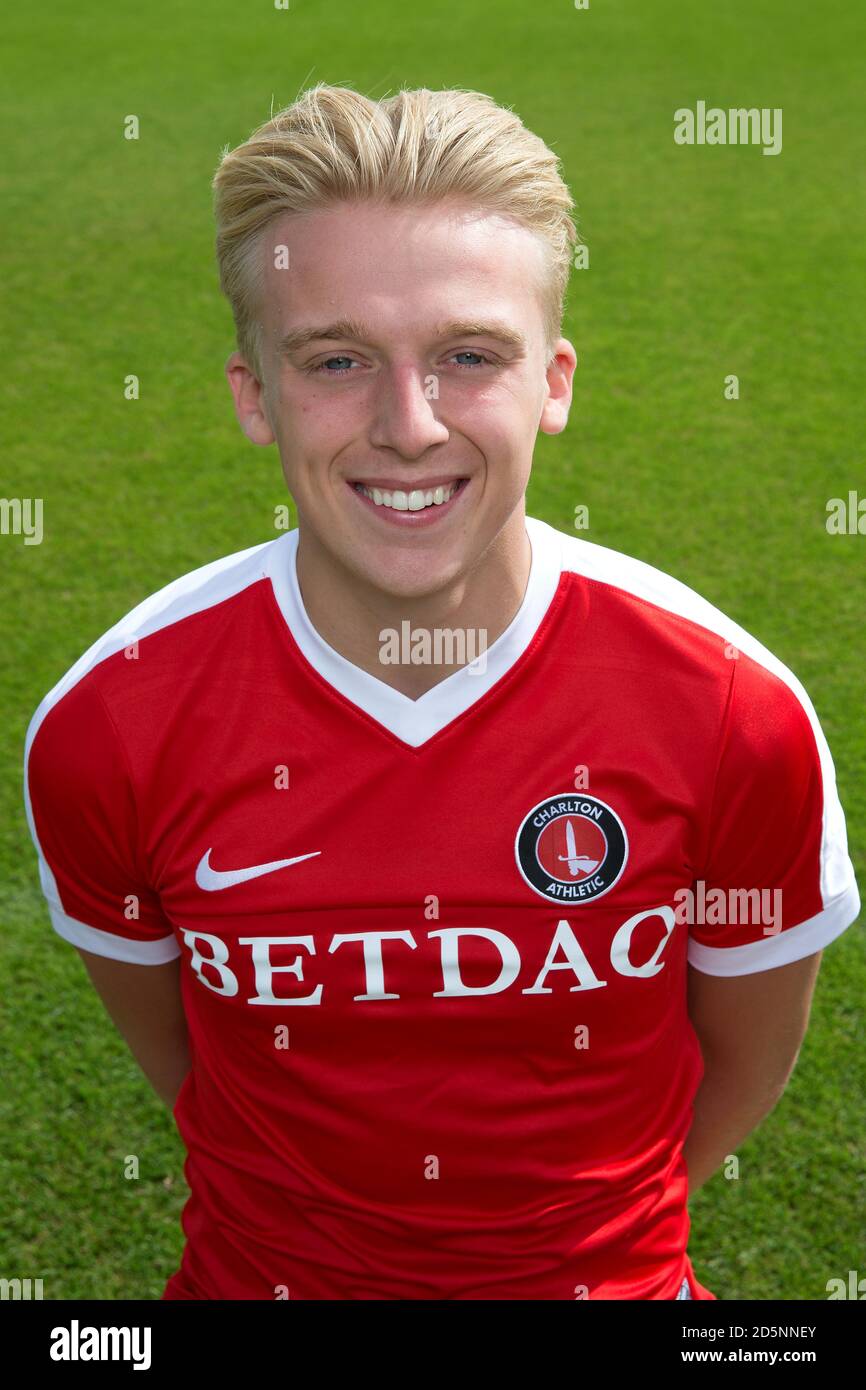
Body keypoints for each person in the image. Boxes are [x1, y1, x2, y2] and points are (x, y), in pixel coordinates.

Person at [23, 83, 860, 1301]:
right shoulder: (110, 721)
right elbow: (189, 1061)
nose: (405, 425)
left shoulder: (732, 709)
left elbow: (735, 1067)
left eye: (467, 357)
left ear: (554, 381)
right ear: (253, 395)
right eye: (336, 359)